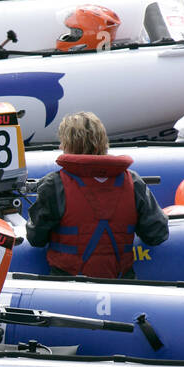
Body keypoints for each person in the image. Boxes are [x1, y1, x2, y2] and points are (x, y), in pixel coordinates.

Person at [26, 111, 168, 279]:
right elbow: (157, 234)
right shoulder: (133, 182)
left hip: (66, 289)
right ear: (103, 141)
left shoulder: (54, 184)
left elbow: (36, 238)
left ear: (66, 144)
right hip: (122, 285)